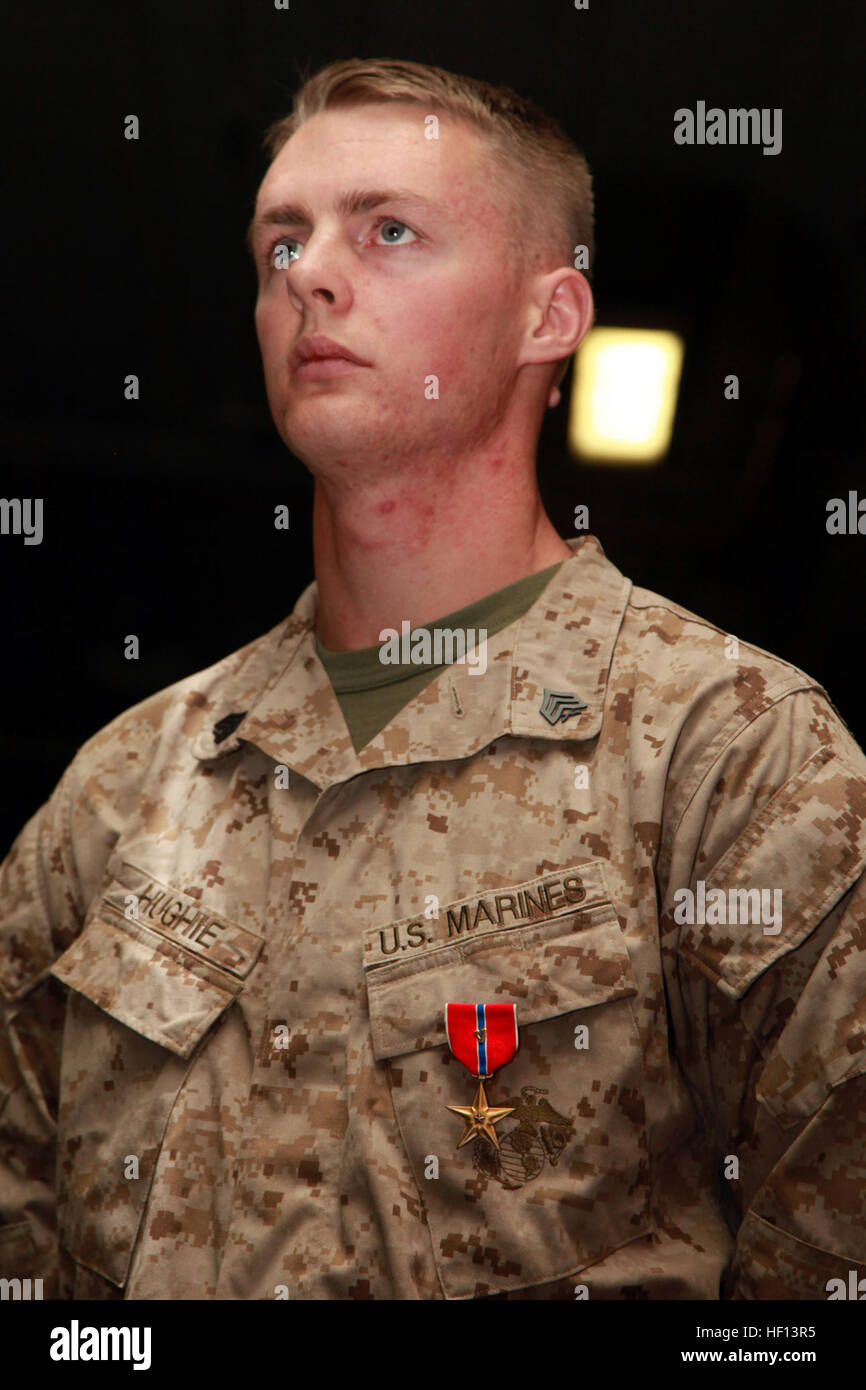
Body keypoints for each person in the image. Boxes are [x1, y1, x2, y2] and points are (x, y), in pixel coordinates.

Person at [1, 56, 864, 1302]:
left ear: (547, 316)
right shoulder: (126, 785)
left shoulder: (730, 751)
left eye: (388, 230)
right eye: (279, 244)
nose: (311, 275)